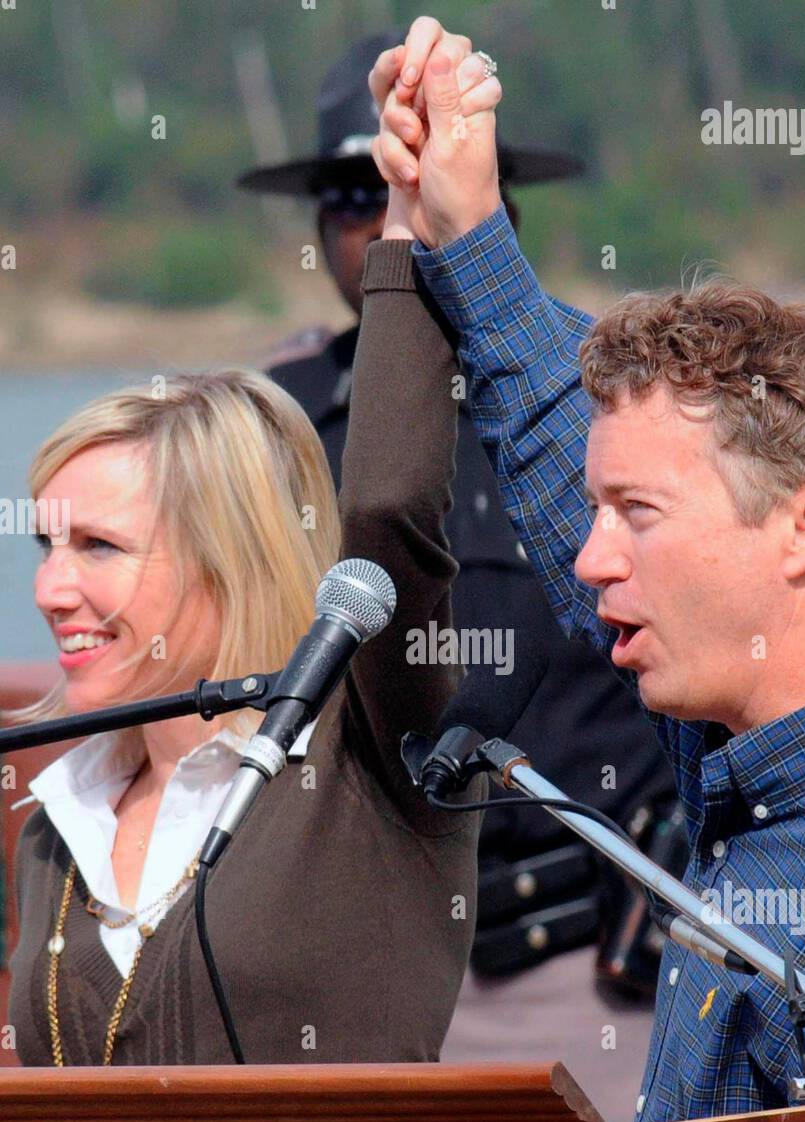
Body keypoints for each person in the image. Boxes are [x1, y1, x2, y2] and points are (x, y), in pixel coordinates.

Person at [368, 19, 805, 1122]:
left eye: (638, 514)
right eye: (597, 505)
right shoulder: (746, 732)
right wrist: (461, 215)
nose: (587, 554)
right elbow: (545, 416)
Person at [238, 33, 684, 1122]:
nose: (373, 214)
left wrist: (688, 832)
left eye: (387, 186)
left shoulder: (610, 406)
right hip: (361, 943)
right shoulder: (264, 424)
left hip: (594, 951)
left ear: (505, 210)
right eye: (350, 194)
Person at [6, 183, 486, 1066]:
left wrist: (408, 224)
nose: (50, 588)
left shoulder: (368, 767)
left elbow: (388, 509)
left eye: (100, 546)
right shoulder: (59, 822)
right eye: (47, 546)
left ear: (230, 556)